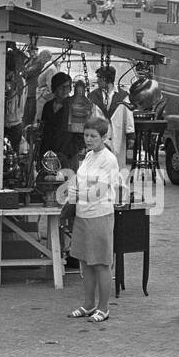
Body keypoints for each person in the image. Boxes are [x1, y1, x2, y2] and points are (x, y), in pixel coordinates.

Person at [66, 118, 121, 322]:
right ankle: (88, 304)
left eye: (93, 136)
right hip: (83, 214)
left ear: (103, 137)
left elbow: (101, 189)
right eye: (86, 135)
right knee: (85, 262)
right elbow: (79, 181)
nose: (88, 139)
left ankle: (103, 308)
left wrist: (79, 193)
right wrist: (74, 192)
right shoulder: (88, 156)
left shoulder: (109, 159)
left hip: (99, 214)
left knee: (100, 263)